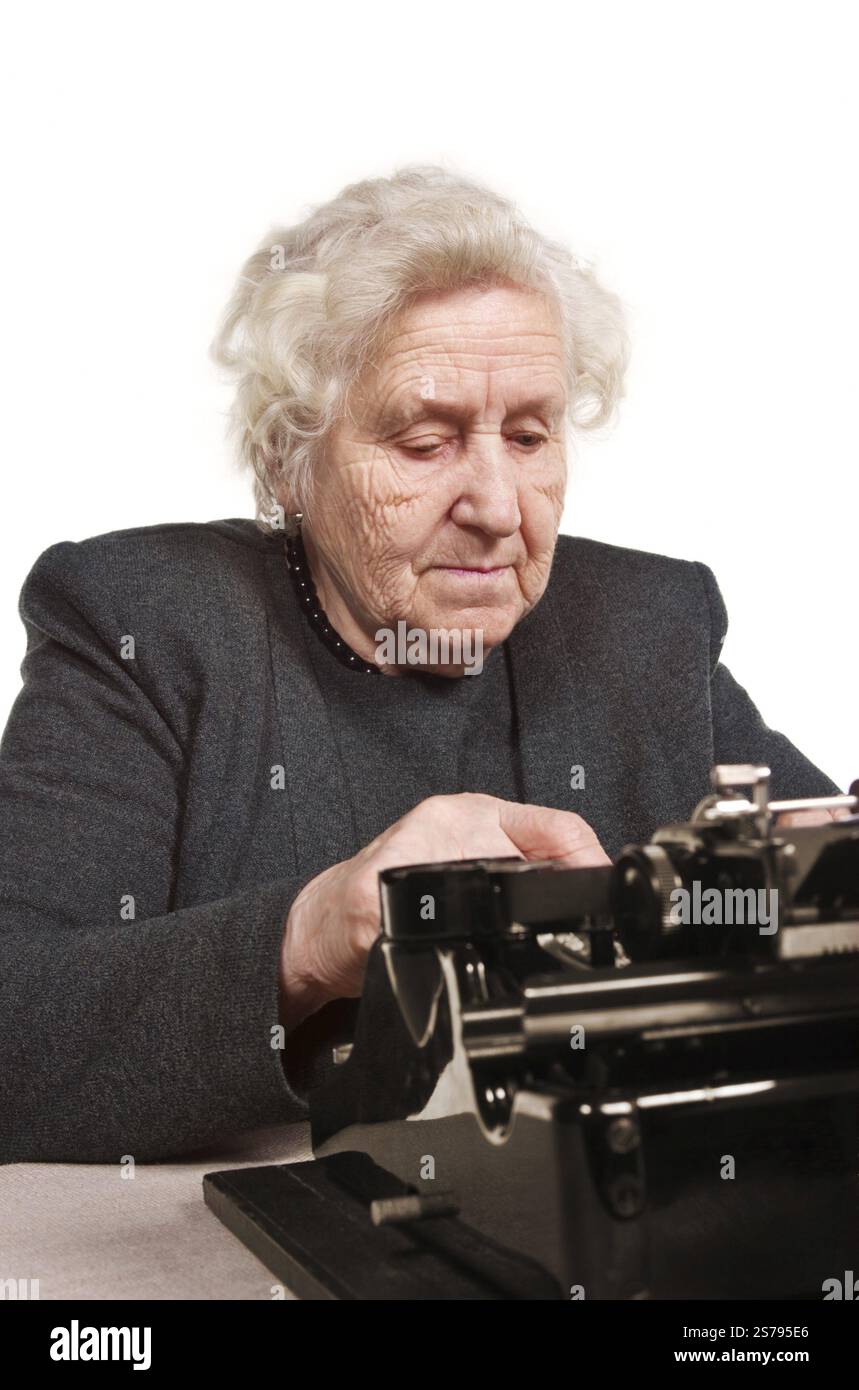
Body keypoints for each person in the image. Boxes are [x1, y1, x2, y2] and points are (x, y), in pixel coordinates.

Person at [0, 165, 841, 1164]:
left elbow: (819, 900)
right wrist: (311, 936)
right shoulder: (148, 623)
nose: (496, 504)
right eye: (424, 439)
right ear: (288, 463)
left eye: (529, 435)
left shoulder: (646, 627)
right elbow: (19, 1024)